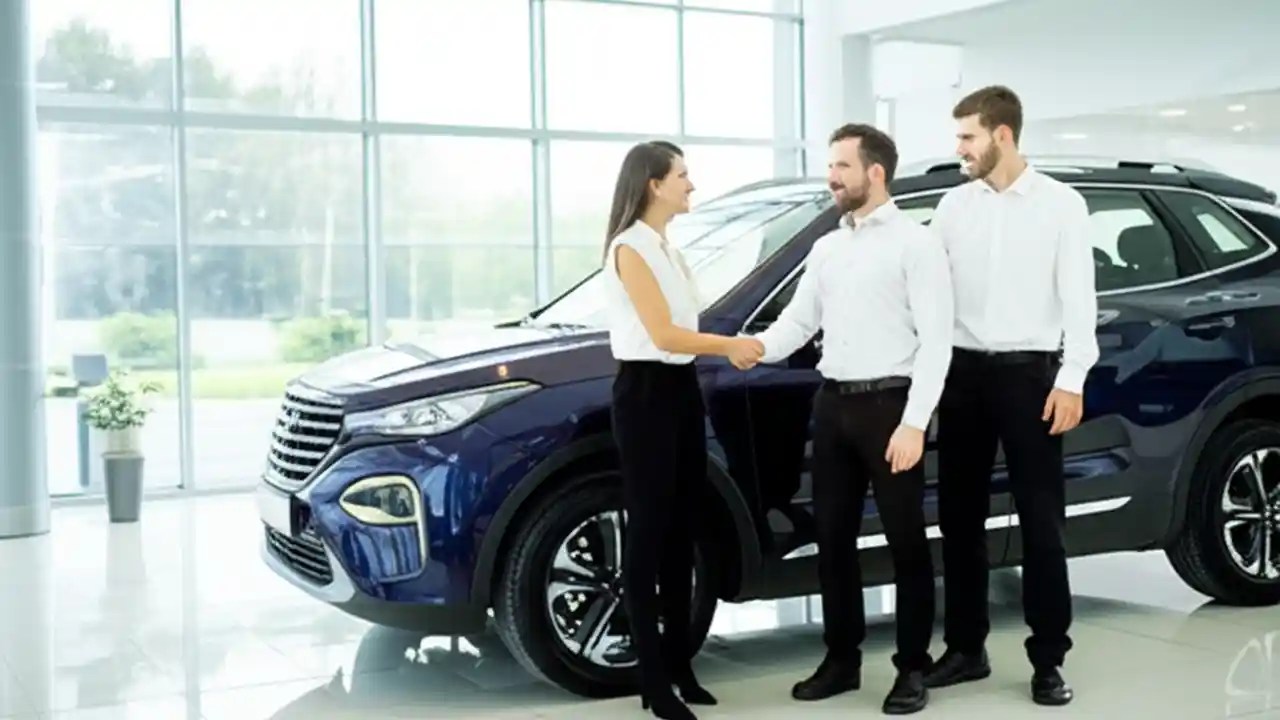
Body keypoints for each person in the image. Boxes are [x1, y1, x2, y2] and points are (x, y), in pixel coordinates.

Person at [748, 123, 954, 715]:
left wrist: (915, 423)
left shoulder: (917, 245)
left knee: (906, 542)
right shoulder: (827, 248)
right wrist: (745, 349)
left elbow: (937, 341)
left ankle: (911, 667)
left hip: (891, 408)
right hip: (832, 405)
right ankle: (842, 660)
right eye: (830, 166)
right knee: (832, 541)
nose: (831, 177)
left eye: (842, 166)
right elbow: (797, 324)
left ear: (875, 172)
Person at [922, 85, 1098, 707]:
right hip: (963, 377)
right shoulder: (953, 206)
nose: (960, 149)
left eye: (968, 137)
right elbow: (930, 292)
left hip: (1031, 378)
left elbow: (1080, 299)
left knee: (1041, 522)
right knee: (958, 518)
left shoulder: (1062, 205)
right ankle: (966, 649)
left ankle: (1048, 659)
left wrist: (1071, 378)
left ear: (1002, 134)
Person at [603, 140, 764, 720]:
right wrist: (730, 347)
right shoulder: (630, 248)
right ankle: (652, 680)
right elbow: (665, 335)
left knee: (682, 531)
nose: (691, 185)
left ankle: (679, 666)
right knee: (648, 535)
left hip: (678, 391)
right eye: (682, 176)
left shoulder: (668, 248)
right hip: (645, 395)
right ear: (654, 184)